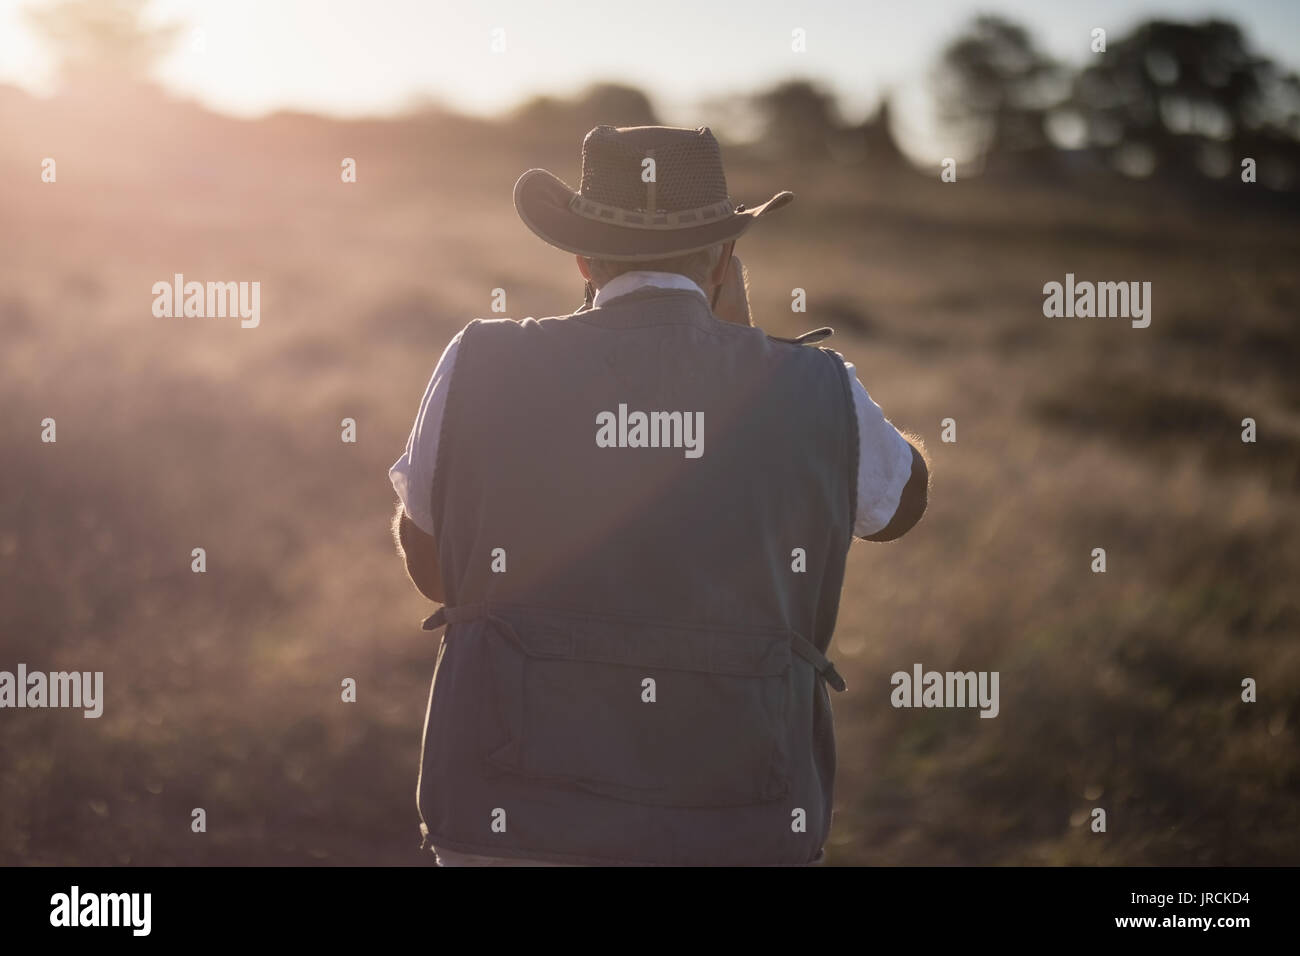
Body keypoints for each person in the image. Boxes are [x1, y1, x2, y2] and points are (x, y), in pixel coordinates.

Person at [389, 125, 929, 866]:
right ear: (724, 259)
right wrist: (751, 351)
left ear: (582, 257)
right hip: (741, 819)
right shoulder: (817, 384)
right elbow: (901, 508)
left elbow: (434, 570)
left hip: (506, 814)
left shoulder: (478, 358)